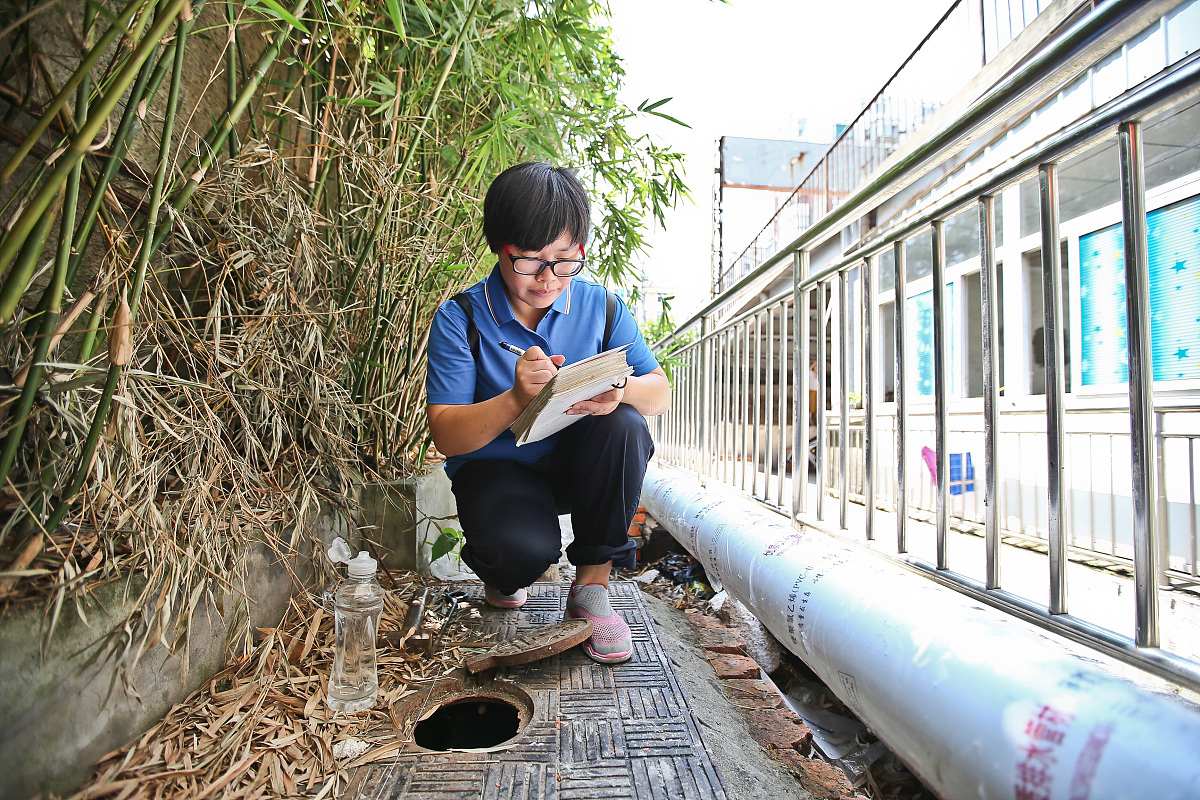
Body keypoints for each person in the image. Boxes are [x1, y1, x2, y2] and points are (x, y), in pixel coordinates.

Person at [425, 162, 671, 664]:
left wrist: (619, 389)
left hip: (579, 464)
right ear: (500, 247)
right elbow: (446, 434)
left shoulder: (601, 307)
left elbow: (659, 392)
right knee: (519, 556)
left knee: (625, 426)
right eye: (530, 261)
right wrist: (516, 398)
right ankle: (503, 571)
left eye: (564, 260)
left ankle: (591, 591)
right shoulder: (462, 318)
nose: (547, 278)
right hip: (499, 471)